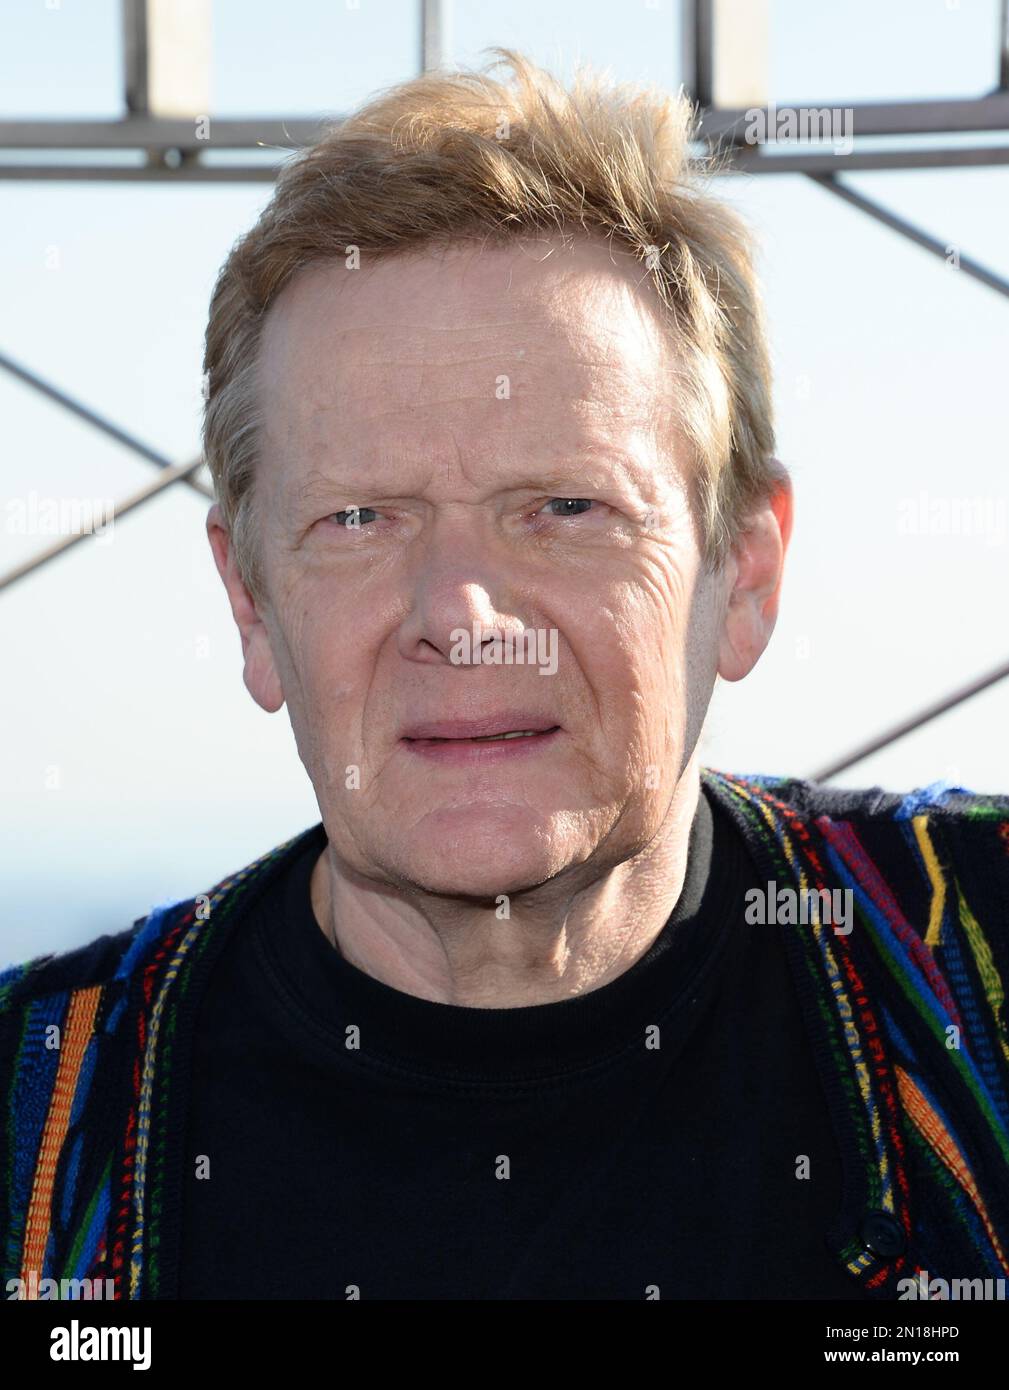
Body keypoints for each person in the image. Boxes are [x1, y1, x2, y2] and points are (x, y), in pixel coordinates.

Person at [3, 49, 1008, 1303]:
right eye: (361, 518)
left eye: (565, 506)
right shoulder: (32, 1107)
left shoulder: (979, 960)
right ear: (250, 603)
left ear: (742, 574)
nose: (462, 618)